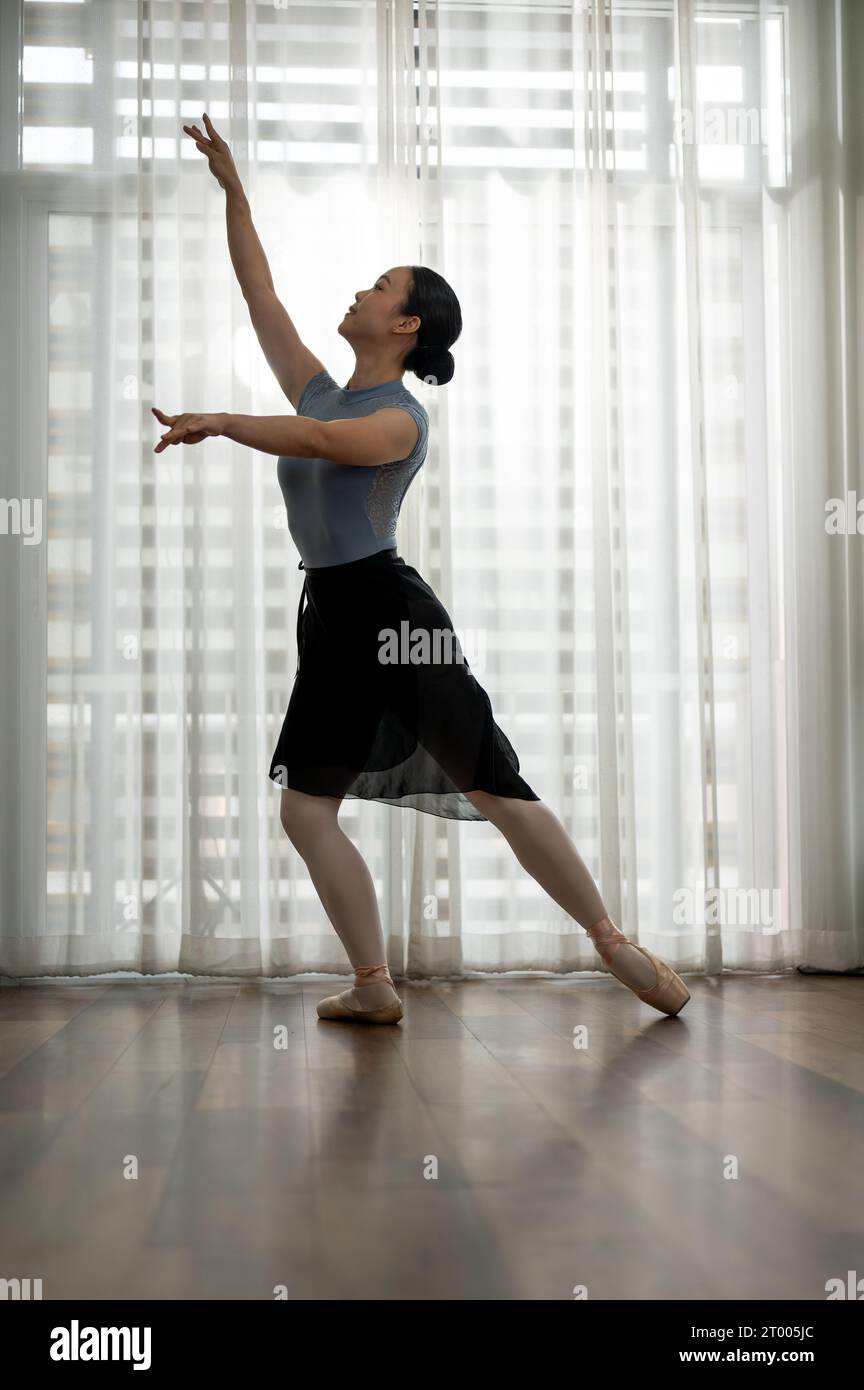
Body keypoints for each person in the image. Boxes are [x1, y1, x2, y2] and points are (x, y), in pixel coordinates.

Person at [151, 113, 690, 1026]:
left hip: (392, 615)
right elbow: (261, 294)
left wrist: (221, 421)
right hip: (331, 613)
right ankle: (374, 986)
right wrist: (233, 189)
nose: (359, 291)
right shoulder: (321, 384)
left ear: (404, 323)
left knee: (490, 783)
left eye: (378, 286)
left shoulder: (399, 419)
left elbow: (323, 441)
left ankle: (612, 942)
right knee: (306, 808)